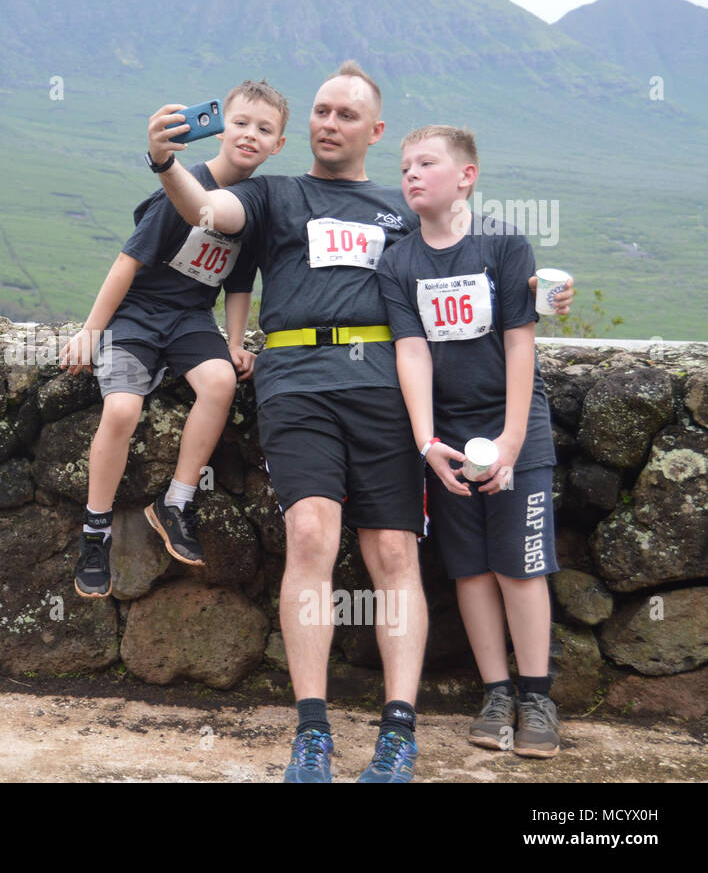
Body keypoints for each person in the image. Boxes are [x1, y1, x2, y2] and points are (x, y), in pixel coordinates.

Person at [145, 62, 572, 783]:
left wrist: (539, 290)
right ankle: (312, 734)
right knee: (311, 534)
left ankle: (397, 732)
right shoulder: (275, 193)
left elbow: (468, 254)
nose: (328, 122)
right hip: (296, 385)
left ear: (373, 131)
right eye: (320, 110)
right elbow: (209, 214)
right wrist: (164, 161)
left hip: (387, 391)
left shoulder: (400, 204)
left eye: (347, 114)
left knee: (395, 556)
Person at [61, 79, 290, 599]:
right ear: (219, 128)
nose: (250, 135)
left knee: (219, 382)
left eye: (265, 129)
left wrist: (234, 342)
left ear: (279, 145)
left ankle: (176, 502)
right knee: (120, 410)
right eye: (240, 122)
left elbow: (239, 279)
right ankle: (95, 531)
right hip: (136, 317)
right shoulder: (184, 187)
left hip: (189, 319)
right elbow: (128, 262)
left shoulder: (255, 203)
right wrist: (90, 331)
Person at [378, 125, 561, 758]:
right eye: (404, 166)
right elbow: (412, 353)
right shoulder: (398, 260)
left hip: (516, 430)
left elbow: (520, 343)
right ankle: (497, 695)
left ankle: (538, 698)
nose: (411, 174)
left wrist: (511, 441)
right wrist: (427, 441)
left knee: (519, 566)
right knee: (472, 570)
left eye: (427, 162)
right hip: (448, 438)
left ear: (466, 176)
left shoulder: (506, 246)